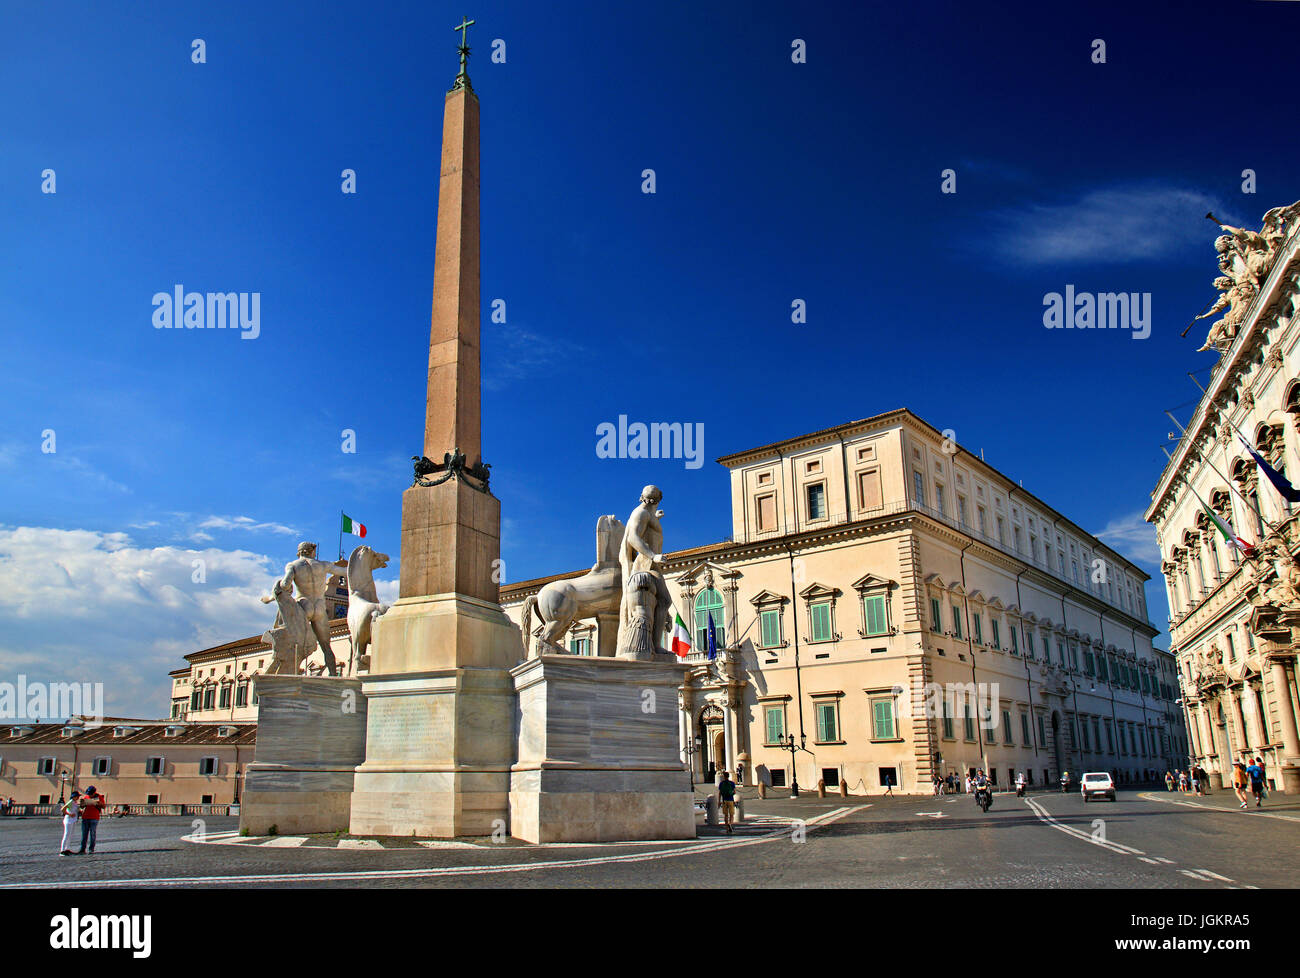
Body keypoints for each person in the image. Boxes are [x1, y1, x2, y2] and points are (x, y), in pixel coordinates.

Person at [76, 785, 104, 854]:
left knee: (92, 834)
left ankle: (91, 849)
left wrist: (99, 803)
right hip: (85, 817)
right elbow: (82, 807)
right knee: (84, 834)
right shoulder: (86, 797)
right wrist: (82, 803)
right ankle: (82, 849)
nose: (90, 795)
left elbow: (103, 806)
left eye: (91, 793)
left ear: (94, 792)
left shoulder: (99, 797)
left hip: (94, 818)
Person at [59, 790, 80, 855]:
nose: (78, 798)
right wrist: (69, 814)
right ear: (74, 797)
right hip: (68, 820)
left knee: (70, 835)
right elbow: (63, 809)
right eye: (77, 796)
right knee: (66, 834)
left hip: (73, 820)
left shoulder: (74, 802)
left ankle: (67, 848)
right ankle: (62, 850)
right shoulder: (70, 802)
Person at [716, 769, 737, 834]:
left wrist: (719, 801)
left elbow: (719, 793)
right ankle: (730, 823)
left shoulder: (721, 783)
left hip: (724, 800)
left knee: (725, 815)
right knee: (731, 815)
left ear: (724, 777)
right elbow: (734, 792)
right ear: (729, 776)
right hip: (731, 800)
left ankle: (727, 828)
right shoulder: (732, 783)